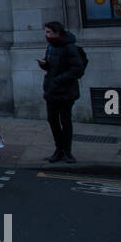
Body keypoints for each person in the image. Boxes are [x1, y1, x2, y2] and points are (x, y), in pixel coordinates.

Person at [40, 20, 84, 164]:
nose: (46, 34)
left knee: (65, 120)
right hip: (52, 91)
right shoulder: (50, 47)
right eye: (45, 31)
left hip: (66, 91)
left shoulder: (69, 47)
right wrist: (44, 65)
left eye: (48, 32)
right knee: (52, 120)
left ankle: (67, 151)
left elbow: (77, 69)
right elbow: (51, 67)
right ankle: (58, 149)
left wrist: (59, 79)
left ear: (57, 32)